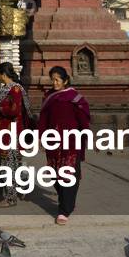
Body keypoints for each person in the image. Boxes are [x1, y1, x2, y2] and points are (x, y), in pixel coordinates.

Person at [37, 65, 91, 225]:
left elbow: (84, 121)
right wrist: (40, 136)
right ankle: (66, 201)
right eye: (52, 80)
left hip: (71, 142)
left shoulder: (75, 98)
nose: (55, 83)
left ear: (65, 80)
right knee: (54, 175)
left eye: (57, 80)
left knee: (68, 175)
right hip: (53, 142)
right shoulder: (49, 97)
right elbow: (43, 119)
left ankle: (64, 210)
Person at [0, 62, 32, 208]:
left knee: (9, 166)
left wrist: (0, 108)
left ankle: (11, 198)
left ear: (3, 74)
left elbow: (14, 110)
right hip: (5, 132)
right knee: (11, 165)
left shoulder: (14, 89)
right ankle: (22, 187)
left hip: (11, 133)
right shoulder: (6, 89)